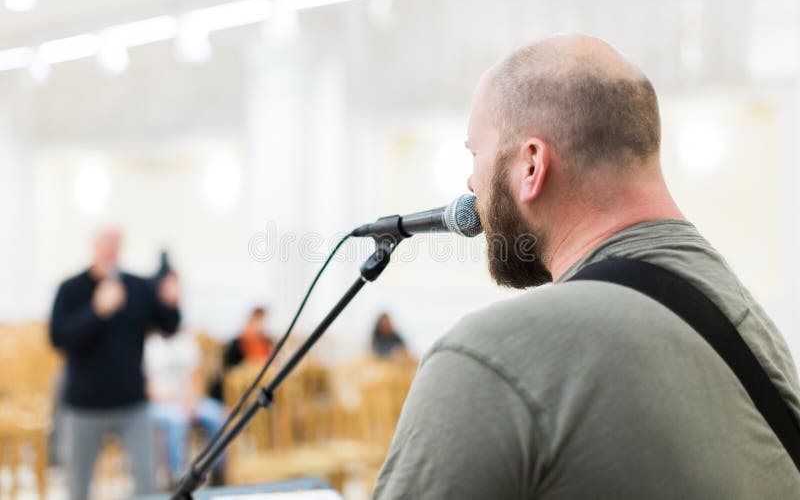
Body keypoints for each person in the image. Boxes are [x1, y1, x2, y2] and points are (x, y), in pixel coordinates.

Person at [373, 34, 800, 498]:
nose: (470, 181)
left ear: (532, 165)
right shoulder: (745, 319)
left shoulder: (487, 355)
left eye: (475, 154)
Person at [50, 226, 180, 499]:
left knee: (147, 483)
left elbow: (169, 326)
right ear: (94, 246)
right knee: (77, 485)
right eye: (105, 243)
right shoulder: (71, 288)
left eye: (115, 243)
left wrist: (172, 303)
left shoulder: (137, 286)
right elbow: (58, 337)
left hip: (132, 404)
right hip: (84, 407)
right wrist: (96, 312)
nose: (110, 249)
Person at [145, 331, 225, 486]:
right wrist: (175, 403)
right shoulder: (149, 345)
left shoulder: (187, 342)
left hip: (191, 400)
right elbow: (147, 388)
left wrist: (191, 402)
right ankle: (178, 477)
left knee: (218, 414)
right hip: (162, 403)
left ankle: (218, 471)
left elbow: (198, 377)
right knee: (177, 421)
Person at [208, 306, 275, 401]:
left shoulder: (267, 342)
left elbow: (273, 363)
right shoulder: (236, 344)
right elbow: (228, 372)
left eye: (261, 320)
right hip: (239, 391)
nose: (259, 324)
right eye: (256, 320)